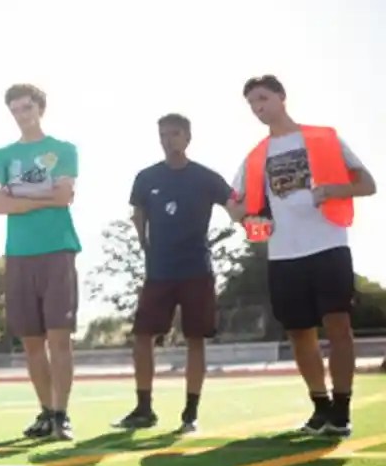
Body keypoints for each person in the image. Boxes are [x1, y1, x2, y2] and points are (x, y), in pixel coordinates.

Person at [231, 75, 376, 437]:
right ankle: (320, 406)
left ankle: (341, 410)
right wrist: (250, 220)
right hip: (283, 255)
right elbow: (234, 205)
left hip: (328, 244)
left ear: (281, 97)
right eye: (252, 104)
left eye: (263, 98)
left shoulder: (324, 137)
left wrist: (332, 189)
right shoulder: (254, 157)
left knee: (339, 326)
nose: (258, 108)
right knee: (299, 333)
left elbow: (368, 184)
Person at [115, 114, 236, 434]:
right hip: (159, 272)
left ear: (188, 137)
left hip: (196, 269)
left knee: (195, 339)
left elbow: (236, 208)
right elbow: (138, 215)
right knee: (142, 337)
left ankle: (190, 413)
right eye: (163, 135)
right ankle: (143, 409)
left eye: (175, 134)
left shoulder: (206, 178)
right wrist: (146, 248)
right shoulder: (146, 178)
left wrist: (259, 216)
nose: (168, 140)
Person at [0, 84, 81, 441]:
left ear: (40, 108)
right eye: (15, 109)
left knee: (60, 338)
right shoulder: (2, 155)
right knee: (32, 342)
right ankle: (45, 412)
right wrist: (45, 196)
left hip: (57, 248)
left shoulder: (63, 149)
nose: (22, 115)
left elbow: (65, 195)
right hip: (19, 253)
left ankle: (62, 414)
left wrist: (20, 194)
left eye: (27, 107)